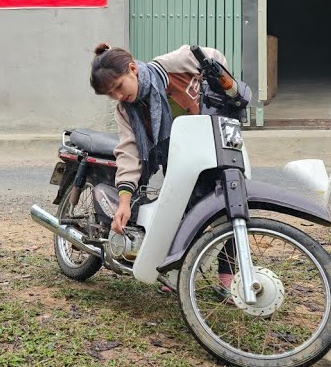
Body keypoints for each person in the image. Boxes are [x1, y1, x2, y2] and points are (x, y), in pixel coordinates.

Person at [89, 43, 251, 238]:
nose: (119, 96)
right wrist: (124, 202)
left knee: (230, 203)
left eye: (119, 86)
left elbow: (214, 57)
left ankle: (227, 268)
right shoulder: (125, 111)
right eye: (111, 94)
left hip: (214, 142)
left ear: (133, 69)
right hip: (177, 162)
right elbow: (128, 153)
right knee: (186, 217)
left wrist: (214, 86)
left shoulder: (172, 66)